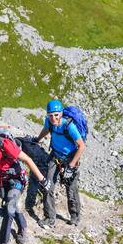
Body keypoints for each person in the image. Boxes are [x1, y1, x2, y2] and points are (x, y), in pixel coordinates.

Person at [35, 98, 85, 229]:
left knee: (71, 189)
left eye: (56, 115)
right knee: (48, 186)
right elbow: (46, 130)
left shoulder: (69, 126)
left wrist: (72, 165)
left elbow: (81, 146)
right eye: (50, 115)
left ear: (61, 114)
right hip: (55, 156)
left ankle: (75, 217)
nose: (53, 118)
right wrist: (37, 139)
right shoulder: (49, 123)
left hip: (70, 159)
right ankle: (50, 218)